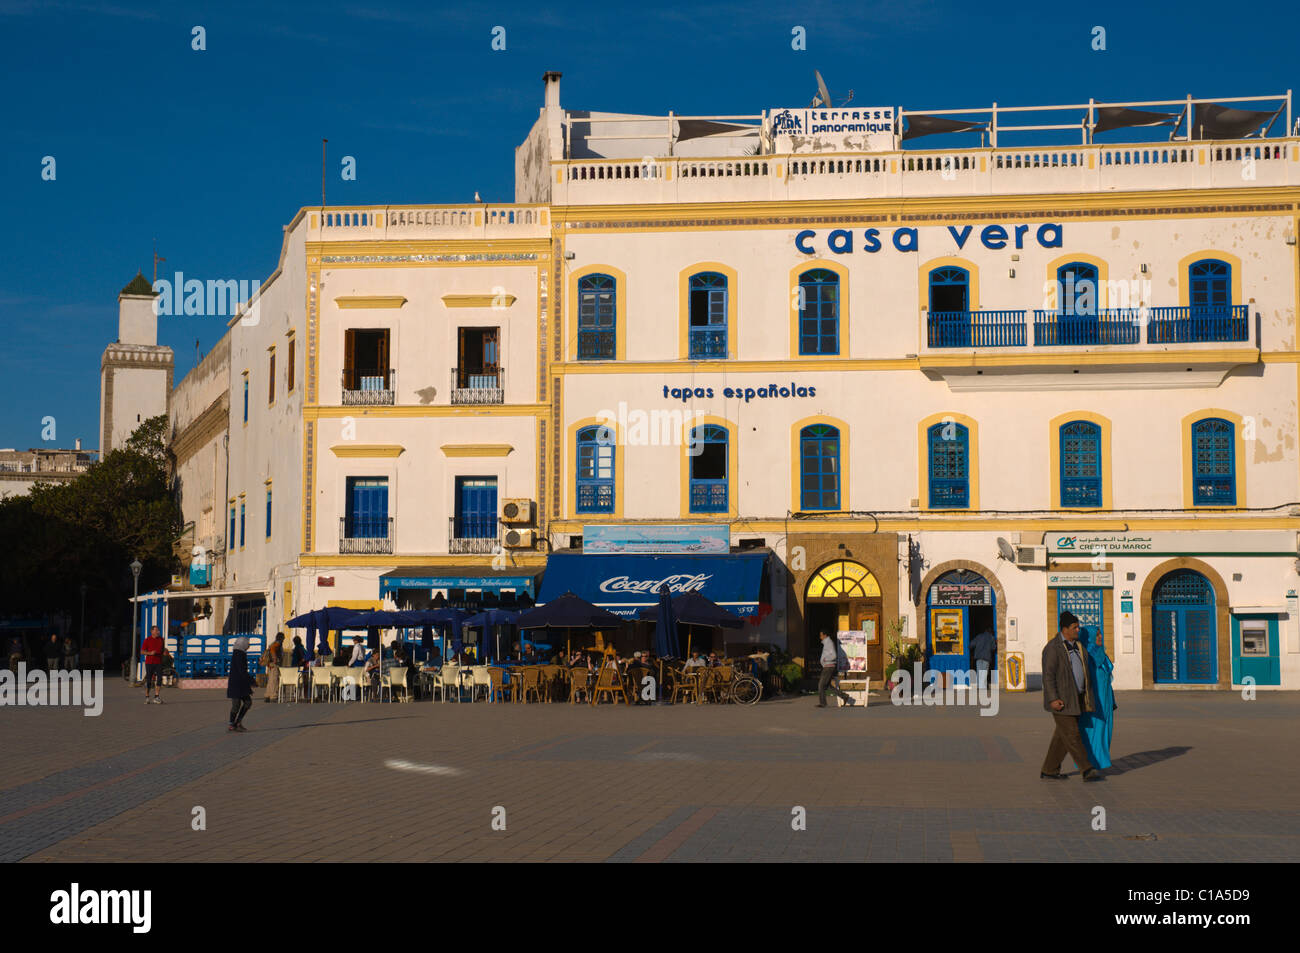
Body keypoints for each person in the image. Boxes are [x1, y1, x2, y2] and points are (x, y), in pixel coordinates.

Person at [1040, 612, 1102, 781]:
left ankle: (1049, 769)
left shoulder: (1079, 646)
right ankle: (1087, 769)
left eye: (1078, 626)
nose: (1077, 629)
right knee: (1073, 735)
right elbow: (1048, 675)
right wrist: (1053, 698)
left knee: (1062, 736)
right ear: (1065, 629)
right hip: (1062, 700)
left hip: (1077, 698)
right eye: (1074, 627)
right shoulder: (1053, 648)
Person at [1076, 627, 1117, 771]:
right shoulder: (1086, 654)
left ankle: (1099, 762)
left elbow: (1107, 679)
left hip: (1105, 700)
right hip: (1093, 701)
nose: (1100, 637)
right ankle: (1090, 763)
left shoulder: (1101, 654)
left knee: (1105, 730)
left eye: (1100, 634)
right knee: (1094, 731)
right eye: (1097, 634)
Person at [816, 630, 854, 708]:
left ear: (825, 635)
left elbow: (833, 655)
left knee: (821, 685)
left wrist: (825, 659)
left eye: (821, 635)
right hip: (828, 666)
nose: (820, 637)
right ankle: (844, 696)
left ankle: (823, 703)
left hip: (828, 667)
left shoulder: (829, 643)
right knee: (827, 686)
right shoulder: (827, 643)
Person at [226, 637, 254, 732]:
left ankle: (237, 722)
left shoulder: (241, 653)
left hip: (240, 683)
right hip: (236, 684)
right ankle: (231, 724)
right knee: (236, 705)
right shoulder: (238, 654)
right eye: (247, 643)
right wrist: (251, 681)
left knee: (247, 702)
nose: (249, 645)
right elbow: (241, 670)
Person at [142, 626, 165, 703]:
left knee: (159, 679)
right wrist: (150, 653)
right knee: (149, 680)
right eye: (156, 630)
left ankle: (156, 696)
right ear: (152, 631)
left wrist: (164, 653)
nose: (158, 631)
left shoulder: (161, 639)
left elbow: (162, 649)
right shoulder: (147, 640)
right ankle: (147, 696)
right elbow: (142, 651)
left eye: (158, 630)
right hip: (149, 663)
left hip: (158, 662)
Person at [261, 632, 286, 701]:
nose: (284, 639)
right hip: (274, 664)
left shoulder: (273, 643)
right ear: (281, 638)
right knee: (274, 680)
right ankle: (273, 696)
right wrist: (275, 659)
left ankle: (267, 695)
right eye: (283, 638)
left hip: (270, 664)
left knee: (270, 680)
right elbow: (273, 649)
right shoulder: (277, 643)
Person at [971, 627, 996, 692]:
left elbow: (971, 644)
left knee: (979, 671)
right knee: (984, 672)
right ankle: (983, 687)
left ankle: (979, 686)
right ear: (991, 632)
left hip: (978, 657)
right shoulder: (991, 638)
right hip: (986, 657)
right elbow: (993, 648)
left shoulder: (979, 636)